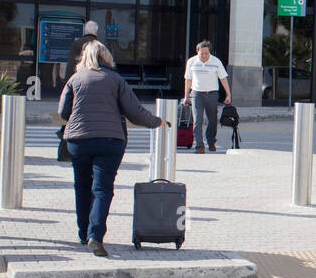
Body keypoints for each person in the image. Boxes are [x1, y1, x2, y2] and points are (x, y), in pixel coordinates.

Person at [58, 41, 167, 257]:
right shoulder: (116, 80)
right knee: (102, 189)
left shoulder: (75, 79)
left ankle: (83, 234)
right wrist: (157, 122)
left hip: (78, 141)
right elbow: (134, 112)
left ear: (84, 58)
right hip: (110, 141)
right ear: (106, 58)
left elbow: (63, 112)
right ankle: (95, 236)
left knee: (81, 187)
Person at [182, 40, 232, 154]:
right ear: (197, 51)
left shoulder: (216, 62)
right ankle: (199, 145)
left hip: (212, 93)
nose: (204, 56)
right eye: (202, 53)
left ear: (210, 52)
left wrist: (228, 94)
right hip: (196, 94)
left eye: (206, 53)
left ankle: (211, 141)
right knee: (197, 120)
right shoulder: (191, 62)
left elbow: (223, 78)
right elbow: (188, 80)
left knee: (212, 120)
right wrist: (186, 96)